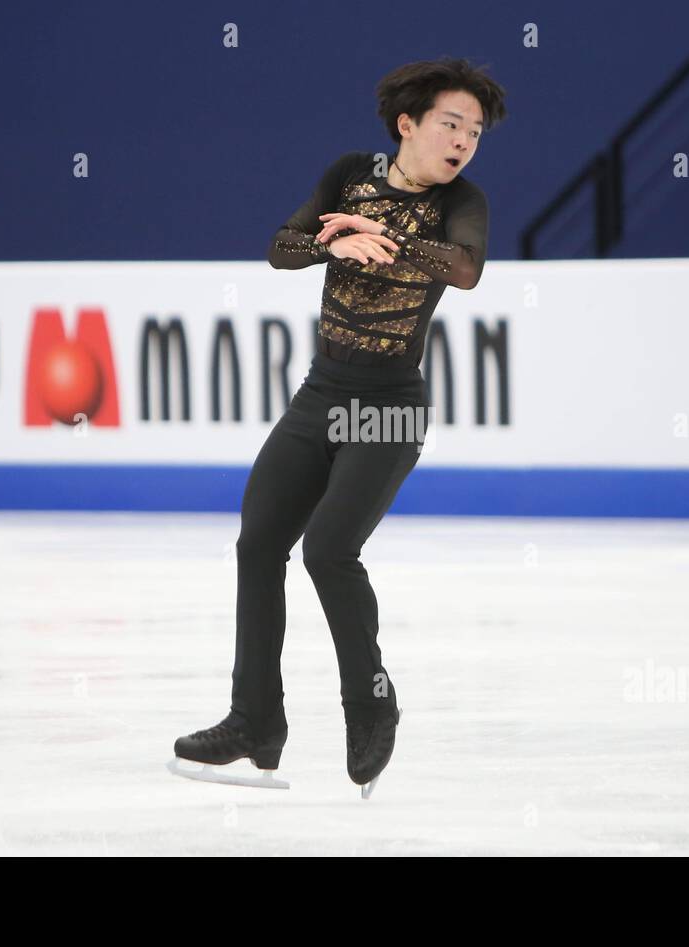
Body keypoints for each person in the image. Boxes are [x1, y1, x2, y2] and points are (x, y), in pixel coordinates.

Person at [172, 57, 507, 794]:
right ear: (407, 124)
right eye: (450, 124)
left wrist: (379, 230)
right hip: (322, 394)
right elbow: (280, 248)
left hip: (389, 403)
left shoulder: (462, 201)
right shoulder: (350, 171)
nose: (462, 142)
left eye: (475, 132)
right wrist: (334, 237)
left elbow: (466, 268)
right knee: (259, 542)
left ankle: (371, 705)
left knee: (328, 548)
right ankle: (255, 719)